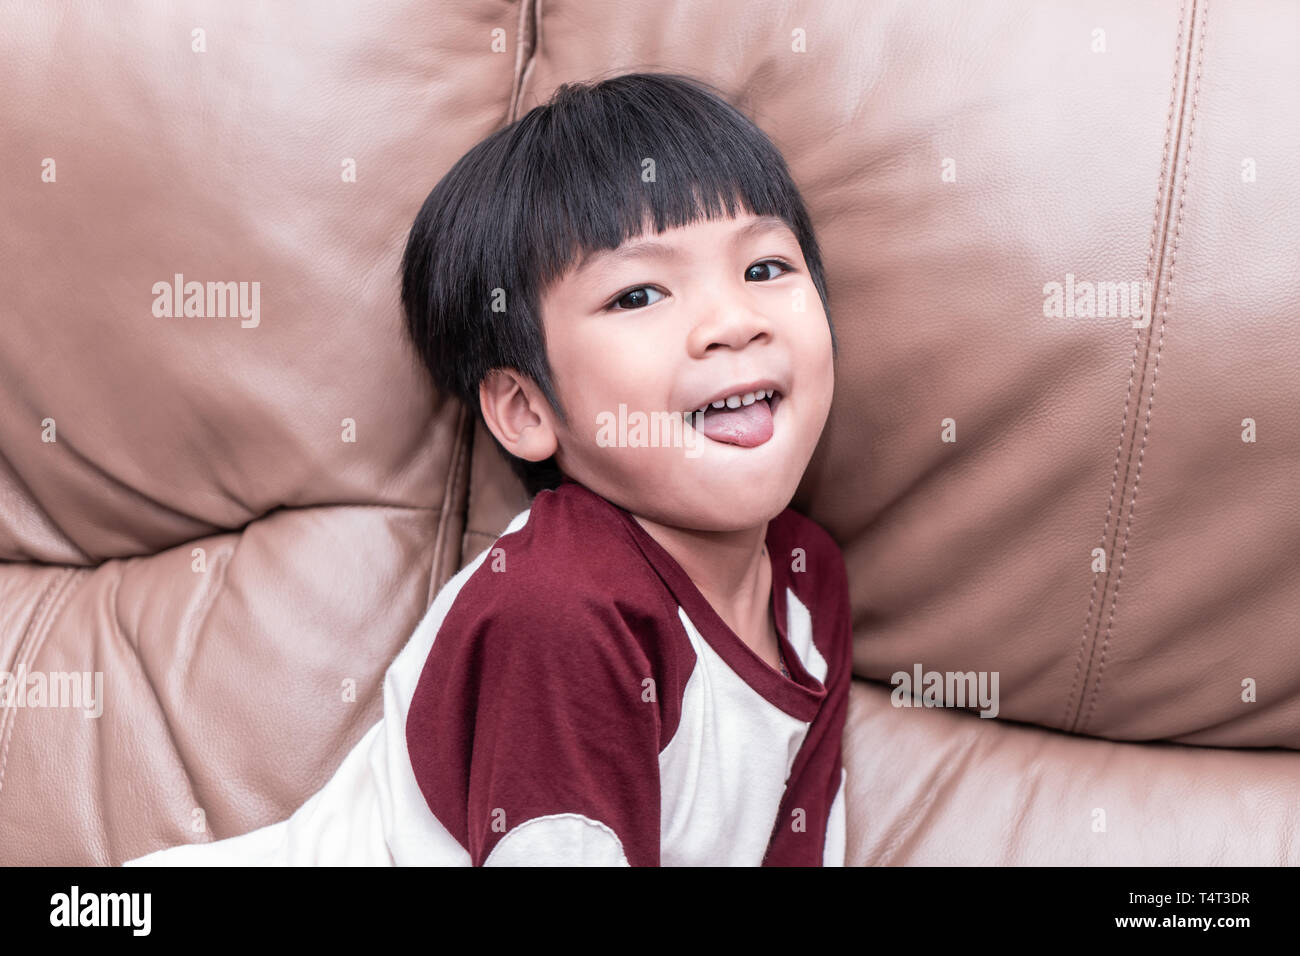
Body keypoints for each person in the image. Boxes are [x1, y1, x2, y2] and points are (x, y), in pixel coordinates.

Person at [126, 70, 851, 867]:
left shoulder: (809, 580)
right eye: (641, 294)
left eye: (765, 269)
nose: (732, 323)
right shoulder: (563, 610)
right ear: (526, 409)